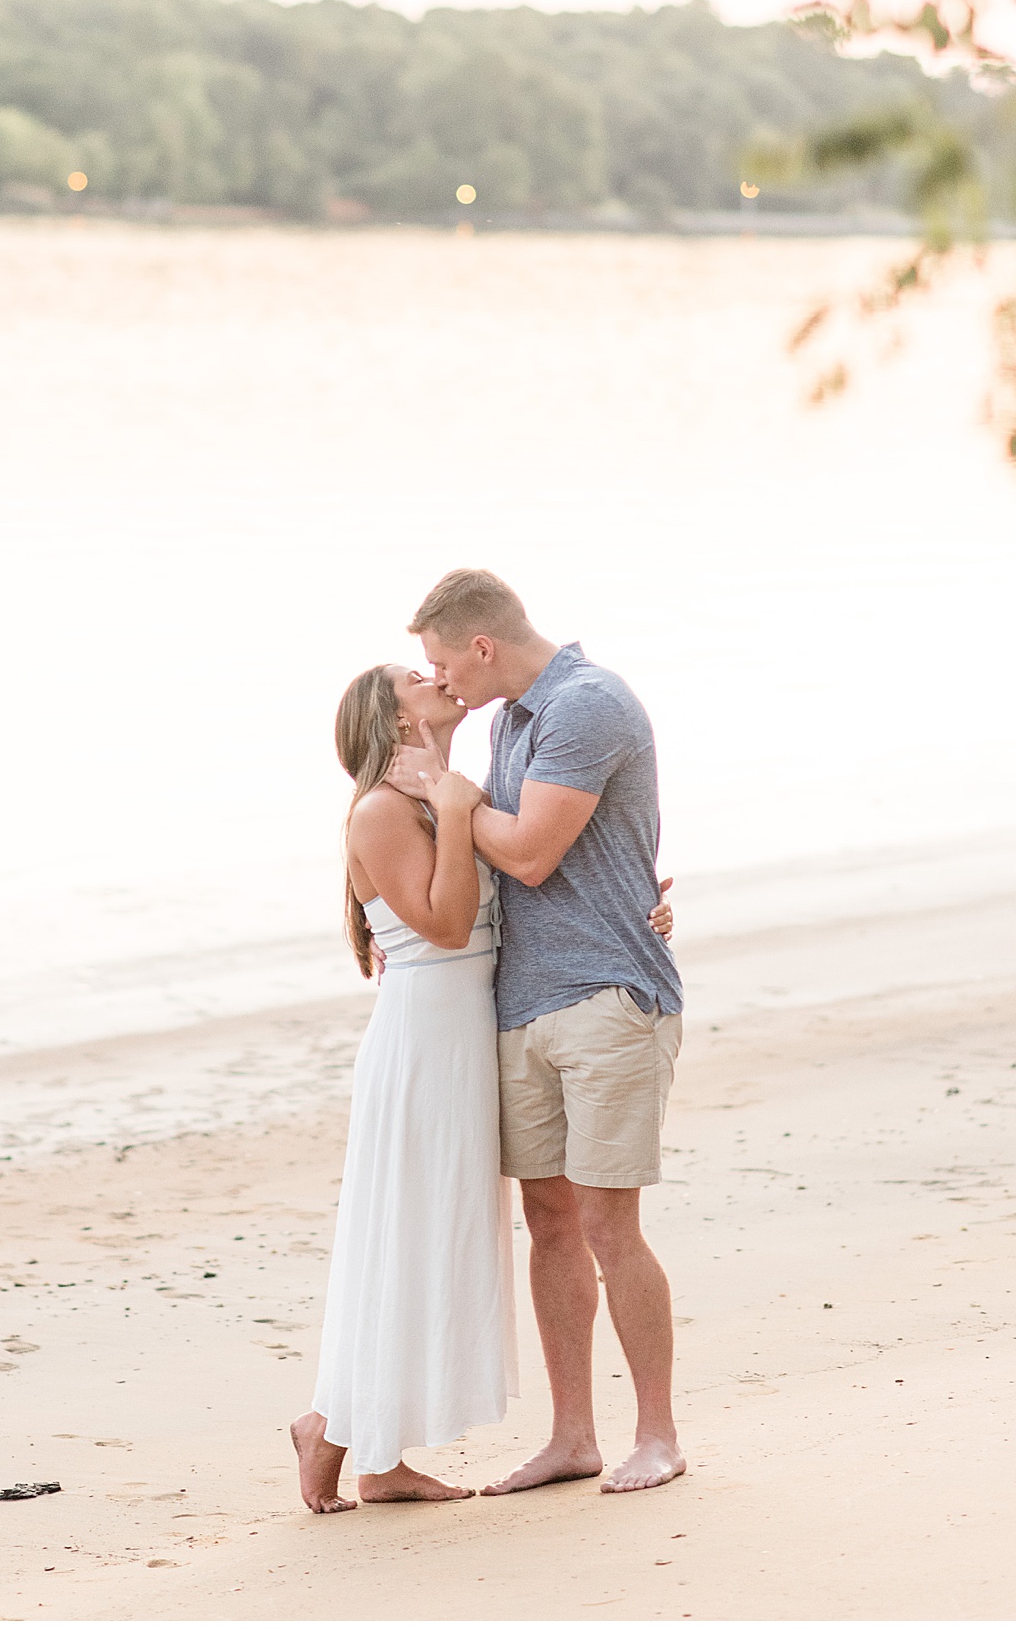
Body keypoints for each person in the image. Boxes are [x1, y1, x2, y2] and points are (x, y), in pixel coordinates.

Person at [390, 568, 686, 1497]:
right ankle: (572, 1437)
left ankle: (659, 1435)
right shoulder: (511, 718)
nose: (438, 680)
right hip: (523, 1003)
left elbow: (527, 852)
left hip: (606, 996)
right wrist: (446, 770)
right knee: (549, 1220)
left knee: (608, 1221)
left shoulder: (587, 704)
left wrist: (453, 796)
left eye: (442, 663)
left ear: (482, 646)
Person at [290, 661, 516, 1511]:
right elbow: (449, 924)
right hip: (423, 1047)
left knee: (431, 1240)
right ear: (390, 718)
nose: (439, 677)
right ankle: (335, 1429)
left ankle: (380, 1456)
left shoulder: (435, 798)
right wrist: (457, 810)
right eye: (417, 676)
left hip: (459, 1039)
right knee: (403, 1238)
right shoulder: (388, 810)